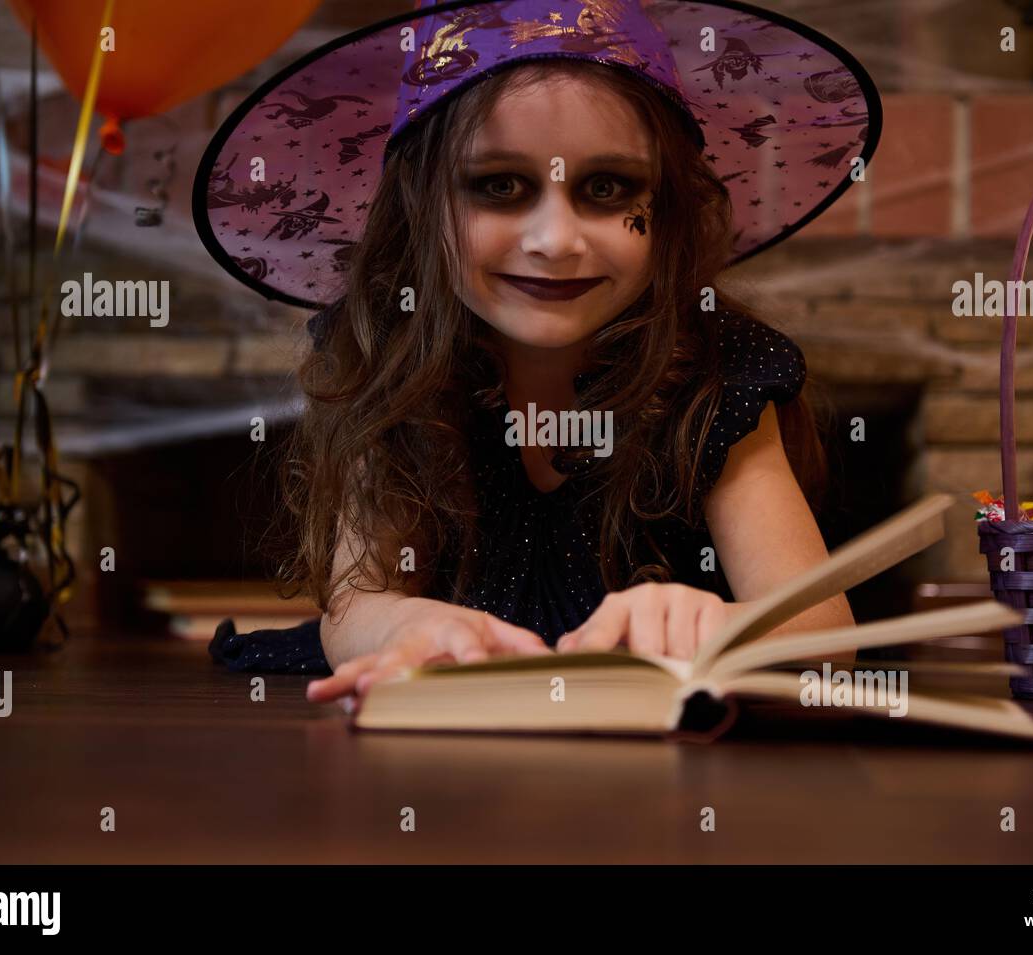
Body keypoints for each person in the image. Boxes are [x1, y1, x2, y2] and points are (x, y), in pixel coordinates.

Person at [192, 0, 882, 707]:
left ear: (666, 208)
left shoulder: (718, 372)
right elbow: (354, 608)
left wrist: (719, 625)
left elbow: (822, 631)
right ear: (423, 207)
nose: (555, 240)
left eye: (607, 188)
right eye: (500, 186)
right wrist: (404, 621)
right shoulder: (392, 355)